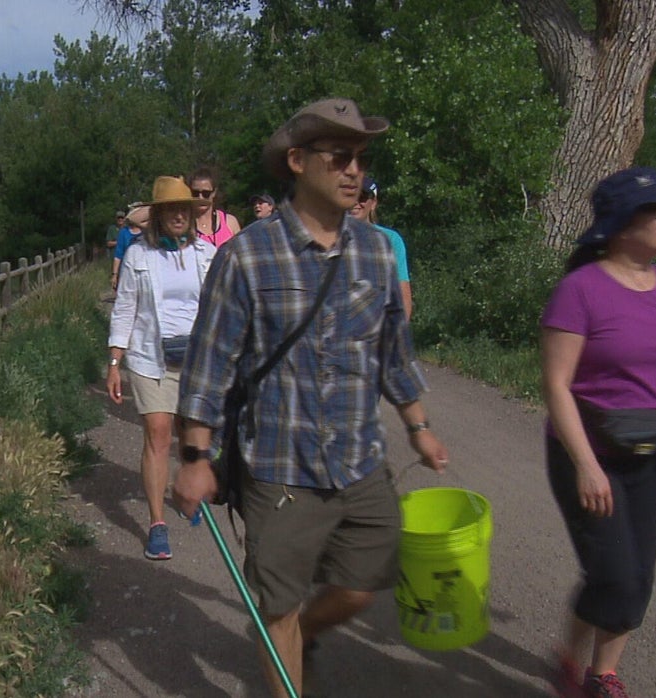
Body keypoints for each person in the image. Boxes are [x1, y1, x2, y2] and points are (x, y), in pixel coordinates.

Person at [172, 97, 449, 698]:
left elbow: (393, 353)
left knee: (363, 581)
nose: (355, 171)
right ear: (298, 161)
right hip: (279, 468)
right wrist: (195, 460)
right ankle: (286, 661)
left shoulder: (376, 251)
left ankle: (303, 634)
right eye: (340, 156)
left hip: (358, 459)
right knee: (278, 607)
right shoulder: (246, 256)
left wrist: (418, 424)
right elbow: (208, 368)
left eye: (361, 159)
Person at [540, 166, 656, 698]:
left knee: (631, 575)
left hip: (647, 452)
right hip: (586, 450)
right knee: (618, 579)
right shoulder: (579, 290)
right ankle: (582, 664)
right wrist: (587, 464)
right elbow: (557, 385)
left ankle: (596, 669)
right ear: (618, 224)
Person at [107, 177, 217, 561]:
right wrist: (115, 361)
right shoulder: (139, 255)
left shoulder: (206, 254)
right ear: (158, 215)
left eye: (184, 209)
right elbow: (124, 309)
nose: (178, 215)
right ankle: (157, 524)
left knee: (191, 432)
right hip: (149, 357)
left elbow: (221, 307)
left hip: (196, 359)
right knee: (157, 432)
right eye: (170, 209)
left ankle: (188, 485)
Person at [350, 175, 413, 320]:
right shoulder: (330, 238)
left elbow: (402, 296)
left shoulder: (390, 240)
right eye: (351, 196)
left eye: (362, 197)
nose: (355, 203)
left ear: (373, 203)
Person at [189, 166, 242, 247]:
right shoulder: (186, 225)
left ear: (214, 192)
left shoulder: (230, 222)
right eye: (195, 193)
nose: (200, 197)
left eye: (206, 193)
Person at [110, 203, 146, 289]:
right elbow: (118, 255)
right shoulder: (123, 232)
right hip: (127, 271)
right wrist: (114, 275)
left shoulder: (148, 232)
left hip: (144, 272)